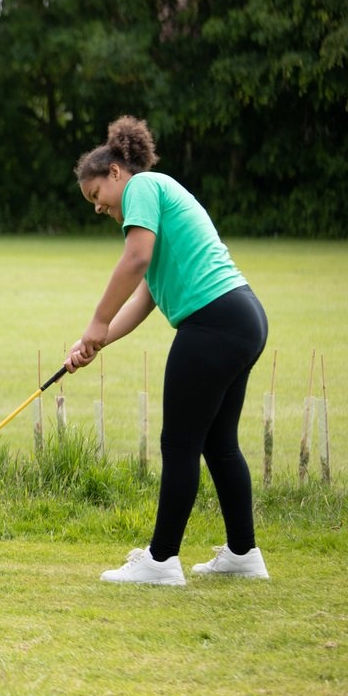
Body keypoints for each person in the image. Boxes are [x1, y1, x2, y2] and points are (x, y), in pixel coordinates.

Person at [65, 115, 270, 586]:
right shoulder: (155, 202)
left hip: (214, 323)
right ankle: (243, 553)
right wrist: (94, 342)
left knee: (179, 442)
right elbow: (148, 295)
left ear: (115, 172)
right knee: (218, 444)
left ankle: (160, 561)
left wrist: (96, 320)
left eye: (97, 197)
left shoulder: (142, 189)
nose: (99, 209)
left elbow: (135, 262)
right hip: (242, 318)